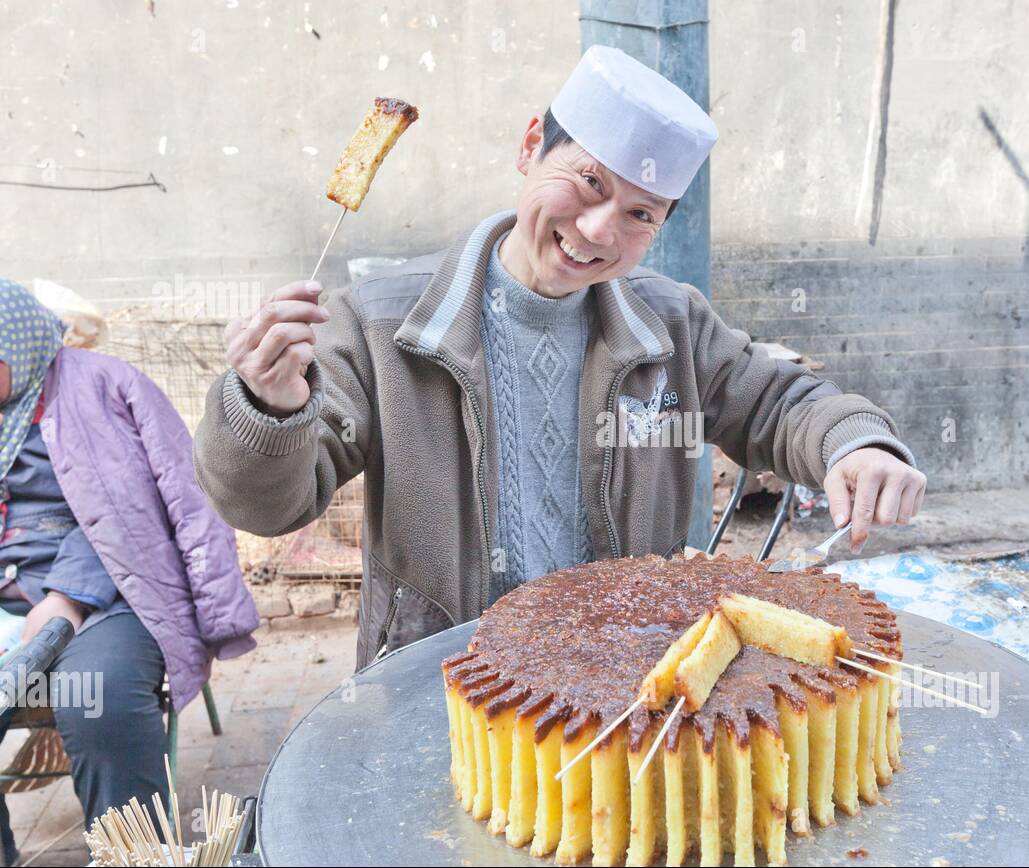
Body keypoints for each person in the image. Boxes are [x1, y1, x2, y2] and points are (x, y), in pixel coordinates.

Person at [194, 45, 926, 669]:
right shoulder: (385, 324)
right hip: (442, 684)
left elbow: (779, 402)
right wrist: (270, 407)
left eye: (641, 214)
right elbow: (267, 506)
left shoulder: (668, 323)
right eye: (588, 182)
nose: (600, 229)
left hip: (629, 684)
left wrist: (851, 443)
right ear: (530, 145)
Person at [0, 279, 258, 866]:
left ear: (16, 350)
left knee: (98, 696)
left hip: (114, 593)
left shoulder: (102, 386)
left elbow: (136, 506)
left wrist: (68, 596)